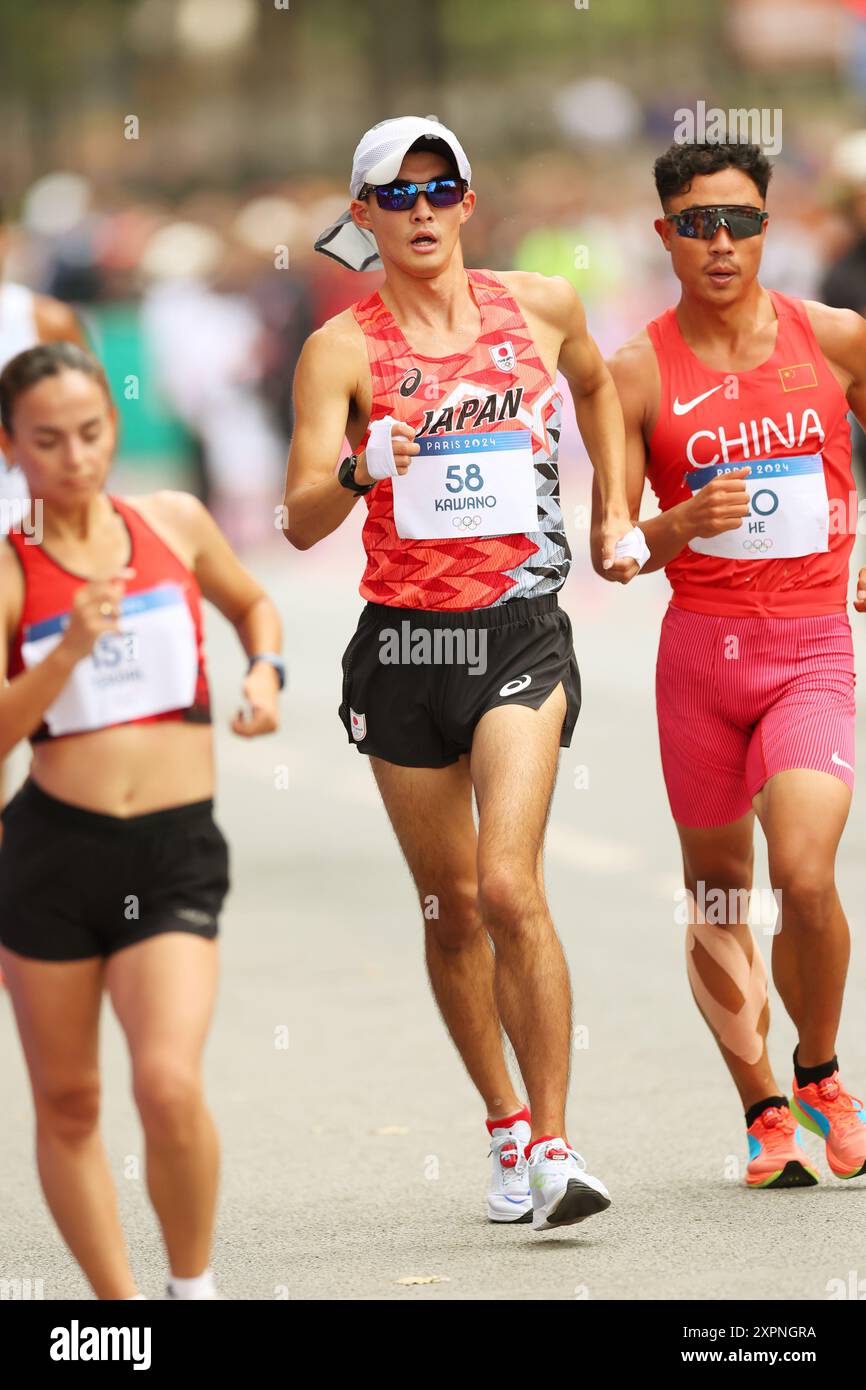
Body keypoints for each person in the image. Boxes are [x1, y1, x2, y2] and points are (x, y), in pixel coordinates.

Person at [285, 115, 643, 1232]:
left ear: (468, 202)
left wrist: (613, 509)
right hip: (403, 646)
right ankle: (503, 1123)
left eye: (440, 190)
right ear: (364, 215)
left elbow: (599, 390)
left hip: (518, 633)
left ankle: (557, 1146)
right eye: (396, 196)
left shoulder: (540, 306)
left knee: (506, 885)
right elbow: (299, 518)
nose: (422, 211)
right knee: (450, 912)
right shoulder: (339, 350)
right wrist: (358, 468)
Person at [598, 141, 866, 1188]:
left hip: (809, 647)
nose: (721, 243)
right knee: (717, 893)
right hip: (700, 662)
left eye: (741, 222)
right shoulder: (634, 371)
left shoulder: (832, 337)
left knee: (804, 870)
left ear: (768, 227)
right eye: (698, 224)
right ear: (663, 234)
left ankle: (818, 1069)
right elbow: (612, 548)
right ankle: (760, 1107)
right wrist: (675, 525)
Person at [0, 341, 285, 1298]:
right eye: (47, 440)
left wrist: (264, 673)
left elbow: (253, 605)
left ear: (114, 425)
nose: (74, 457)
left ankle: (191, 1286)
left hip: (172, 853)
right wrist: (66, 650)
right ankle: (123, 1312)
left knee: (166, 1081)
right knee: (69, 1101)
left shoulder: (172, 520)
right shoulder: (10, 569)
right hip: (50, 857)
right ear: (10, 446)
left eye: (90, 432)